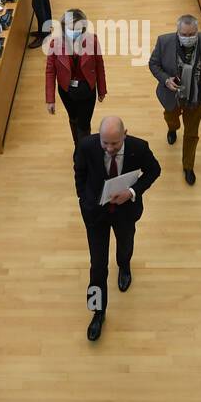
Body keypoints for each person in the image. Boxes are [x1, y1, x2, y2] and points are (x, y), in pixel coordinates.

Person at [73, 116, 162, 341]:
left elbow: (154, 170)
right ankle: (97, 311)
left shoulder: (139, 147)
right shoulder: (86, 146)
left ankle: (124, 266)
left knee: (125, 246)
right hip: (96, 215)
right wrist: (84, 201)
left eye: (115, 143)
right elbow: (80, 174)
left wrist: (131, 193)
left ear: (125, 135)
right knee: (97, 266)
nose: (109, 148)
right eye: (105, 143)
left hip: (125, 213)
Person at [148, 15, 201, 185]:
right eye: (184, 35)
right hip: (173, 97)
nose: (188, 38)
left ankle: (188, 166)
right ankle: (173, 128)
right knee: (171, 118)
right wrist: (165, 80)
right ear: (177, 32)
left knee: (191, 134)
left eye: (192, 34)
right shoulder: (164, 42)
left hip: (196, 97)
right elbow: (153, 64)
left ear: (197, 32)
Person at [45, 8, 107, 143]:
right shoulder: (55, 43)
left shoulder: (93, 41)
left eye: (78, 28)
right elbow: (50, 71)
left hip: (87, 89)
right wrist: (50, 99)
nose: (74, 32)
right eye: (70, 28)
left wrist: (102, 90)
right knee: (73, 118)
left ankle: (82, 152)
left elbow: (99, 66)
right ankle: (78, 145)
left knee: (84, 124)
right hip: (66, 91)